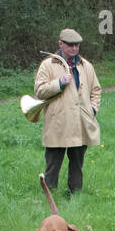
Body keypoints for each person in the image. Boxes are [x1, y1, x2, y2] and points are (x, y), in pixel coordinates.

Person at [33, 28, 101, 194]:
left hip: (81, 123)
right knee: (53, 164)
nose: (74, 48)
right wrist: (59, 83)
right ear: (60, 44)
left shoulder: (86, 66)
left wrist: (92, 109)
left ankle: (75, 195)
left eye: (77, 45)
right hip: (58, 124)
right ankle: (49, 196)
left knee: (77, 163)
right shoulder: (48, 65)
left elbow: (96, 90)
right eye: (70, 45)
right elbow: (39, 91)